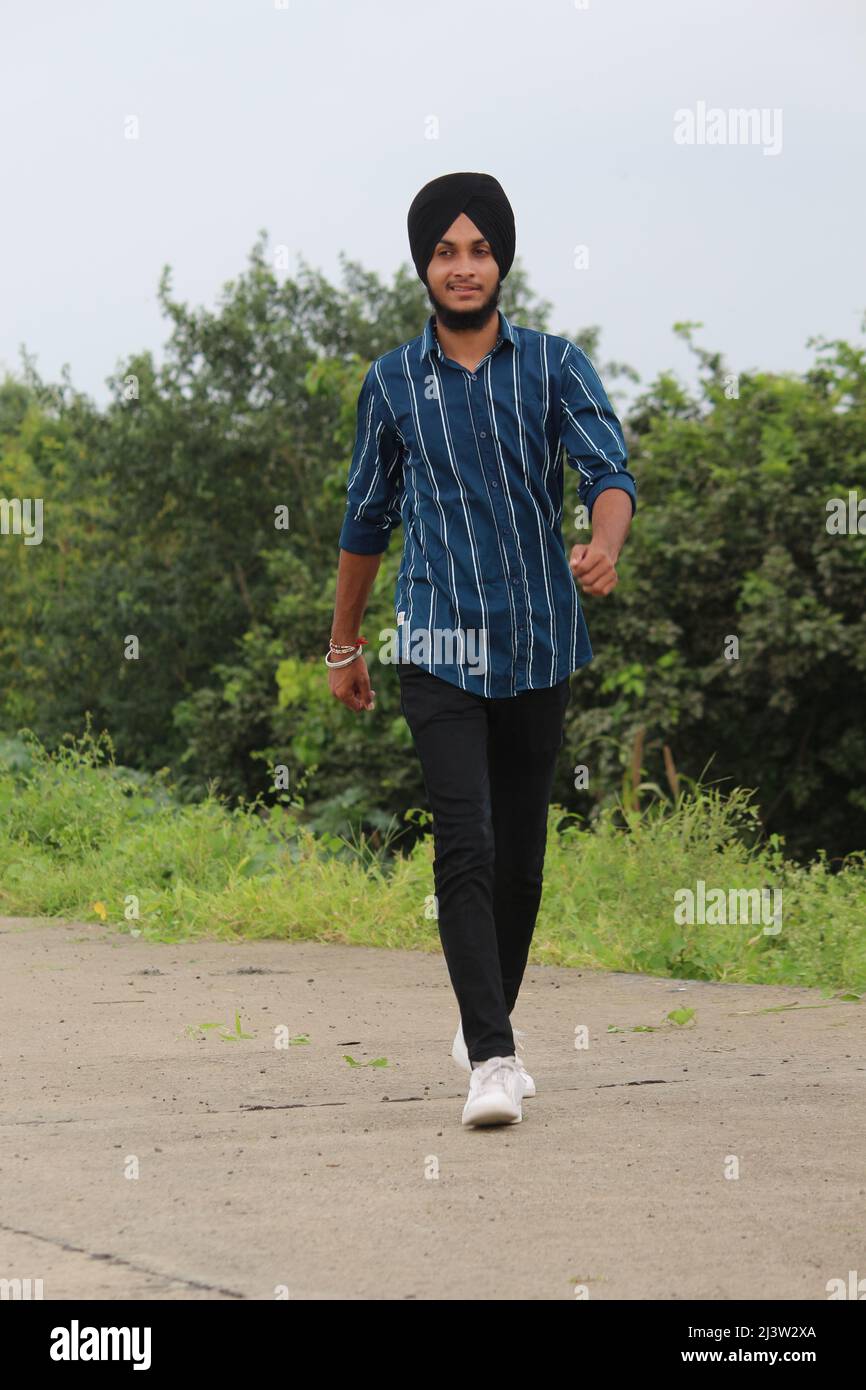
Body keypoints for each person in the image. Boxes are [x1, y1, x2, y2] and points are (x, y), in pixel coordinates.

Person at [327, 171, 637, 1128]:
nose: (464, 268)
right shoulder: (391, 383)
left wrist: (604, 545)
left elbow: (607, 470)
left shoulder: (554, 364)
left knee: (521, 857)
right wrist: (344, 645)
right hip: (435, 640)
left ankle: (484, 1010)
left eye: (479, 250)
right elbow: (364, 519)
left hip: (539, 638)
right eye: (445, 252)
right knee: (464, 839)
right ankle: (493, 1061)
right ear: (423, 264)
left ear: (503, 258)